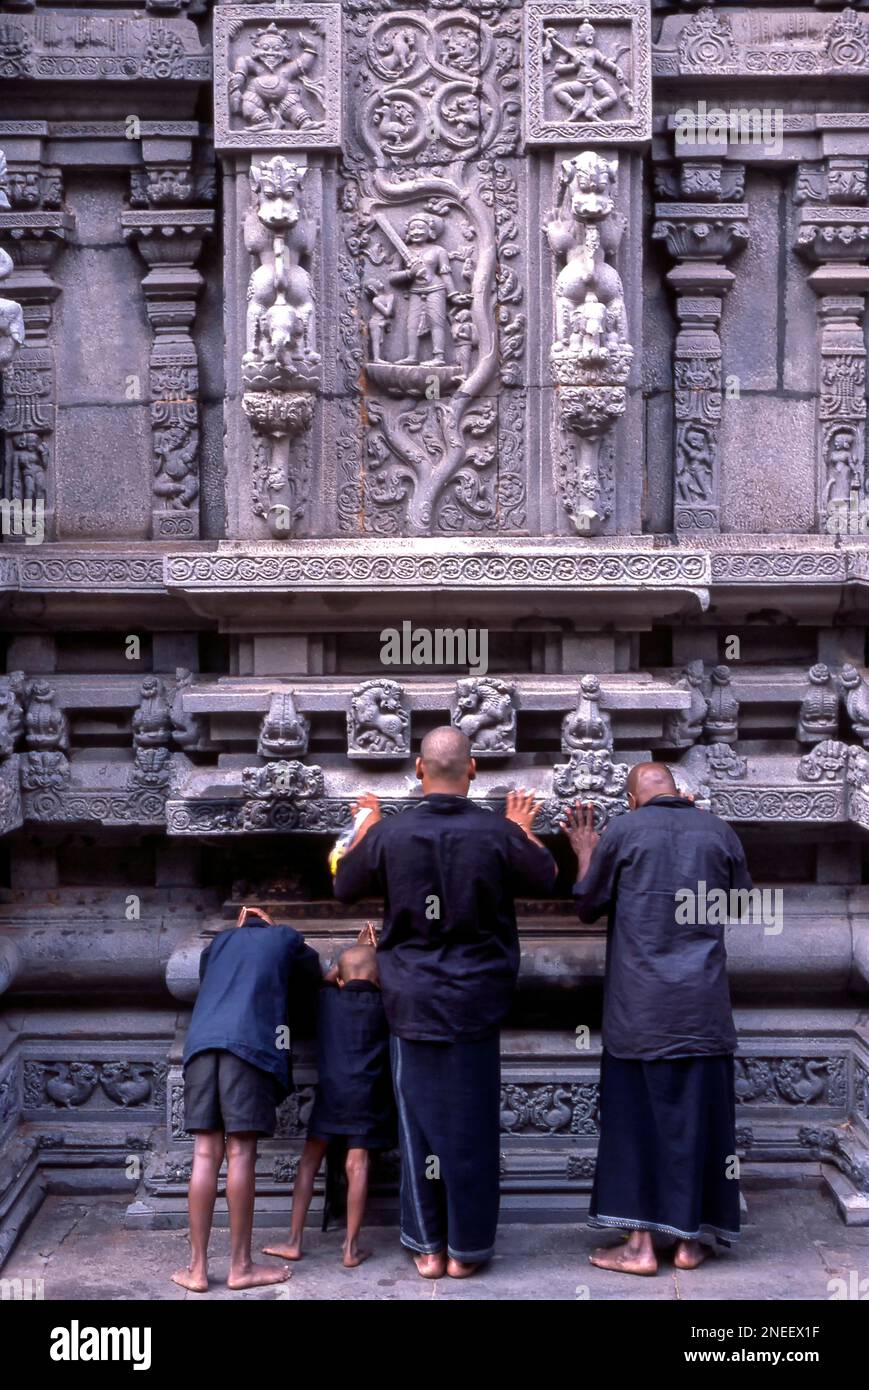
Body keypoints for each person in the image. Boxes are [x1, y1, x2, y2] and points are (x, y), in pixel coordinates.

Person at [334, 726, 557, 1279]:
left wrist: (366, 825)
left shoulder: (390, 834)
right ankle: (467, 1251)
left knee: (419, 1128)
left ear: (418, 768)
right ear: (473, 768)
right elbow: (548, 877)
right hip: (476, 1002)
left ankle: (429, 1249)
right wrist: (523, 830)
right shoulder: (498, 833)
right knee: (472, 1128)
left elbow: (344, 887)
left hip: (411, 1000)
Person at [562, 763, 753, 1276]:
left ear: (631, 799)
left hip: (640, 1012)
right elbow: (738, 903)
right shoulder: (718, 831)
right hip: (703, 1010)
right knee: (700, 1126)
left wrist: (585, 853)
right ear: (677, 792)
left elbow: (587, 905)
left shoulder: (624, 831)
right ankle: (690, 1243)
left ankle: (641, 1246)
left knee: (635, 1127)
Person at [171, 905, 320, 1293]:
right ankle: (240, 1265)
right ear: (268, 922)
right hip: (248, 1044)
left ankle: (197, 1269)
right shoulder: (284, 937)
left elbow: (208, 982)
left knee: (205, 1154)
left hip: (201, 1046)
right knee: (241, 1152)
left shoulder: (217, 943)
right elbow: (311, 974)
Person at [262, 940, 395, 1269]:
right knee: (357, 1164)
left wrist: (339, 969)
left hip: (332, 1094)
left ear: (340, 976)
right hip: (367, 1094)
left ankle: (294, 1241)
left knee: (309, 1161)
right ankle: (350, 1248)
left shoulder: (325, 1000)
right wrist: (376, 956)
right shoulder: (388, 1004)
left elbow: (322, 978)